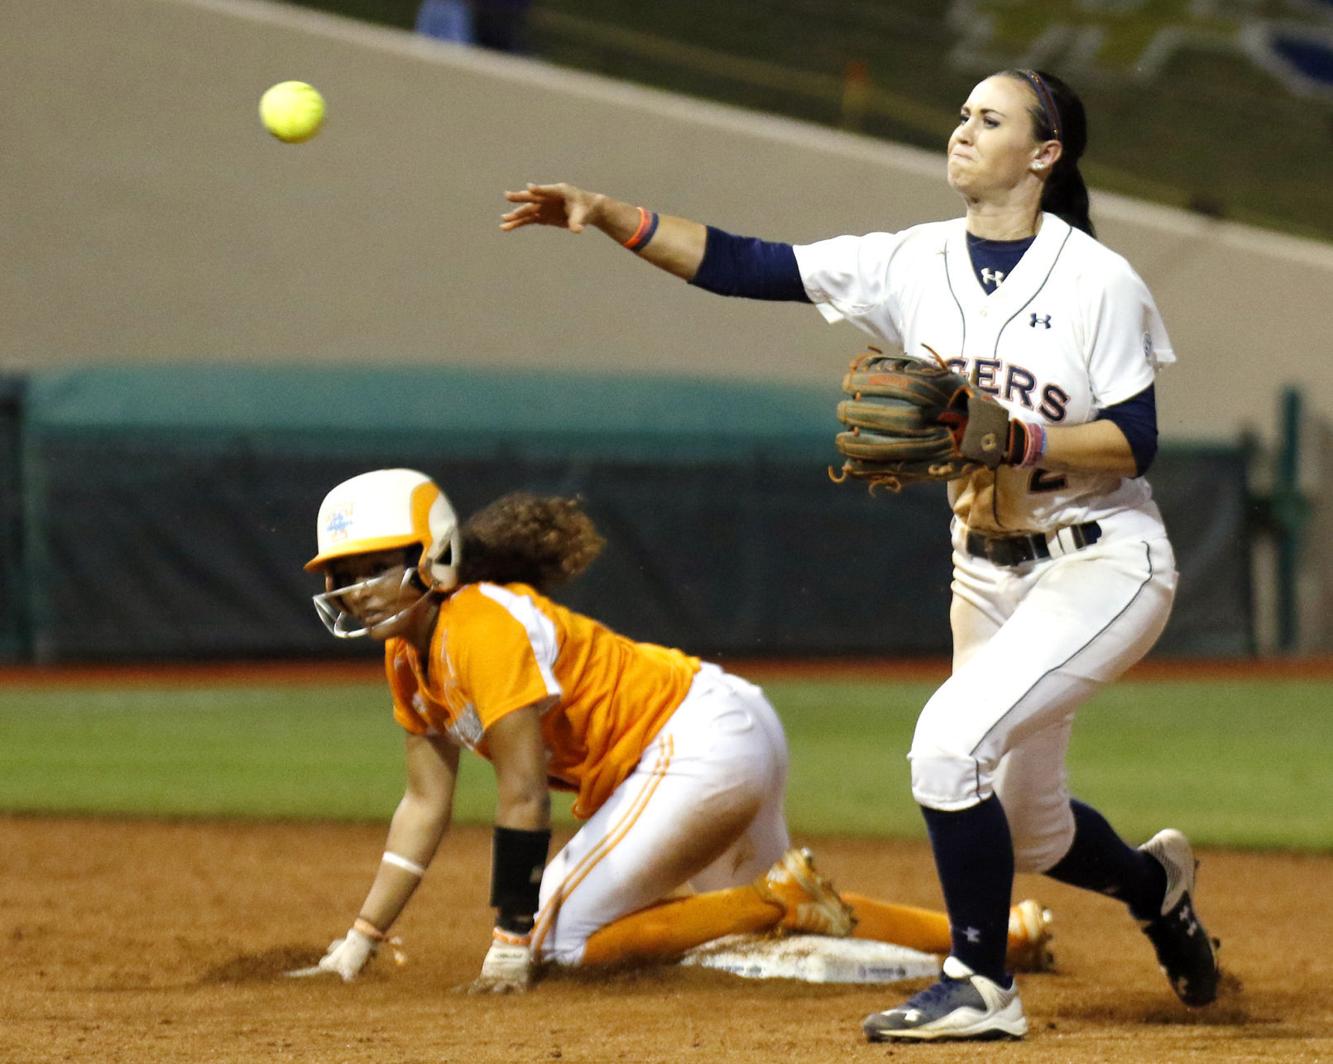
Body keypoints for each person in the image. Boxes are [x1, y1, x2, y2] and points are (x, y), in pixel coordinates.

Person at [499, 68, 1219, 1039]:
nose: (962, 129)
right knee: (1030, 829)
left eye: (990, 119)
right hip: (984, 571)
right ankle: (1155, 887)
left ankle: (980, 983)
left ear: (1043, 154)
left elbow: (1134, 441)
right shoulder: (911, 261)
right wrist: (605, 213)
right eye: (961, 113)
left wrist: (1015, 437)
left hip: (1098, 562)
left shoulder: (1097, 280)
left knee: (947, 748)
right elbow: (746, 264)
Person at [291, 468, 1054, 991]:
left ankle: (774, 899)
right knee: (751, 937)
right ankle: (998, 936)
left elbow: (524, 797)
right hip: (716, 729)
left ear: (435, 556)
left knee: (557, 937)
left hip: (693, 747)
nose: (354, 590)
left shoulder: (477, 627)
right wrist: (360, 939)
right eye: (341, 575)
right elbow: (423, 804)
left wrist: (510, 940)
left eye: (372, 566)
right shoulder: (408, 657)